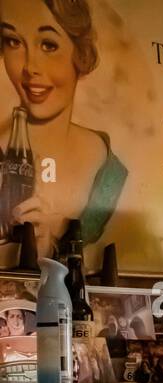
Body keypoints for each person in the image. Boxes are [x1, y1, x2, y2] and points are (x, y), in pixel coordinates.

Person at [0, 0, 126, 253]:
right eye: (13, 41)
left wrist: (50, 242)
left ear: (80, 54)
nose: (29, 68)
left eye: (48, 45)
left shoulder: (109, 171)